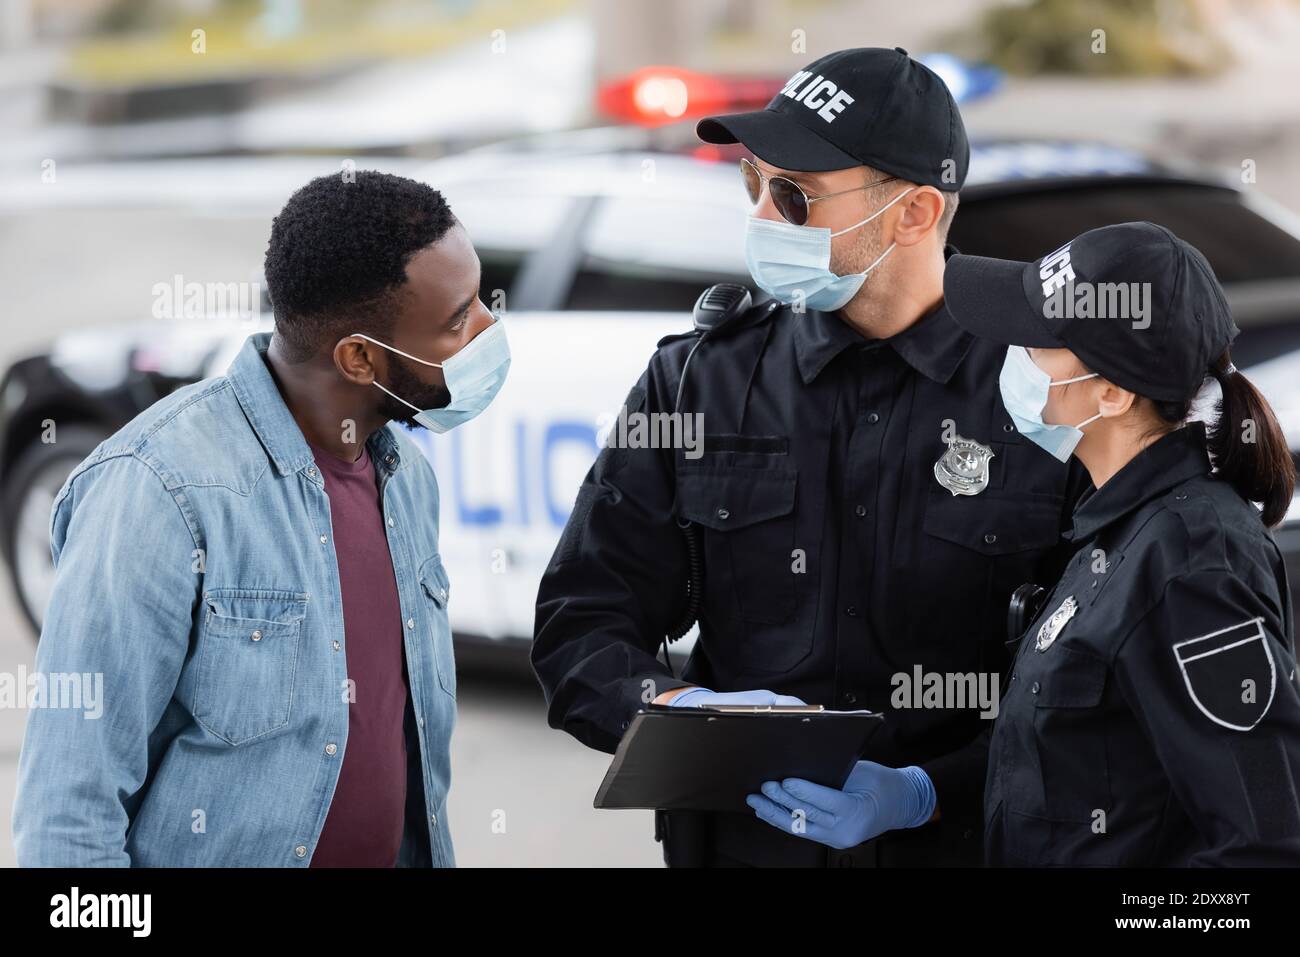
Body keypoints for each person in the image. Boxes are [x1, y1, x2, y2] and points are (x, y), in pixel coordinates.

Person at [532, 47, 1089, 867]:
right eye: (752, 181)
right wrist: (684, 708)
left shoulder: (1051, 385)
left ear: (915, 213)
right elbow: (581, 624)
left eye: (794, 195)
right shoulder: (696, 380)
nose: (761, 215)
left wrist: (929, 790)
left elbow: (1102, 686)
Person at [757, 220, 1300, 865]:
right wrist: (921, 792)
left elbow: (1266, 846)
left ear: (1113, 391)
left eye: (1038, 345)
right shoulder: (1120, 525)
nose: (1009, 355)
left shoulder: (1192, 556)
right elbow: (1085, 760)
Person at [12, 171, 508, 866]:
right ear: (360, 357)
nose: (489, 325)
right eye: (459, 319)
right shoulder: (157, 490)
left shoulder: (405, 476)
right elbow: (67, 822)